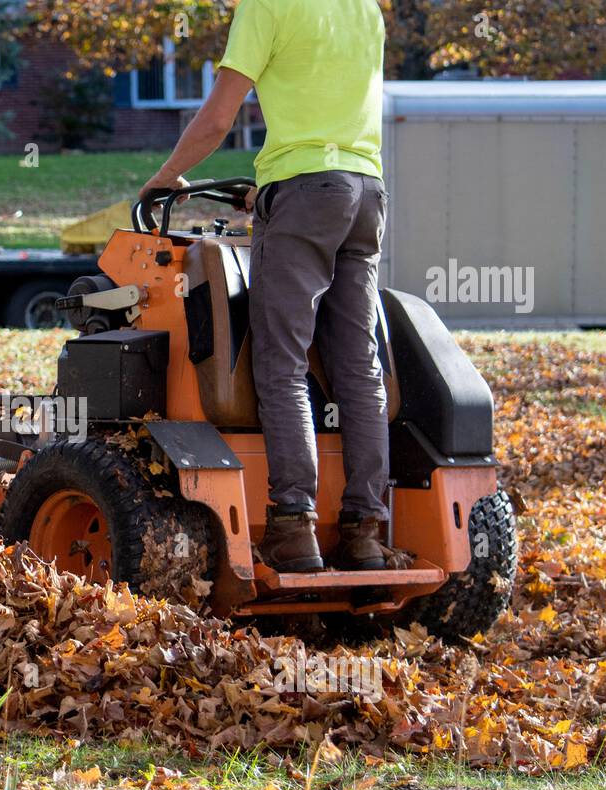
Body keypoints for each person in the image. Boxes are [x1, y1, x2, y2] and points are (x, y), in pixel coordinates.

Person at [140, 0, 392, 573]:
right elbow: (330, 122)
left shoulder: (267, 6)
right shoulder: (365, 12)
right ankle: (364, 532)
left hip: (306, 191)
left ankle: (292, 525)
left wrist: (164, 177)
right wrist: (269, 192)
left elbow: (215, 118)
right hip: (365, 193)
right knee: (360, 367)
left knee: (282, 361)